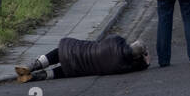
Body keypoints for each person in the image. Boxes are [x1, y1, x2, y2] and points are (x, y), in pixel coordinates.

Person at [15, 35, 148, 82]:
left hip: (80, 50)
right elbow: (143, 64)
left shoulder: (116, 40)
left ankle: (33, 65)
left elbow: (108, 39)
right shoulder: (123, 66)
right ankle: (38, 76)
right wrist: (142, 60)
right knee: (64, 71)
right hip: (80, 69)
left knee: (61, 52)